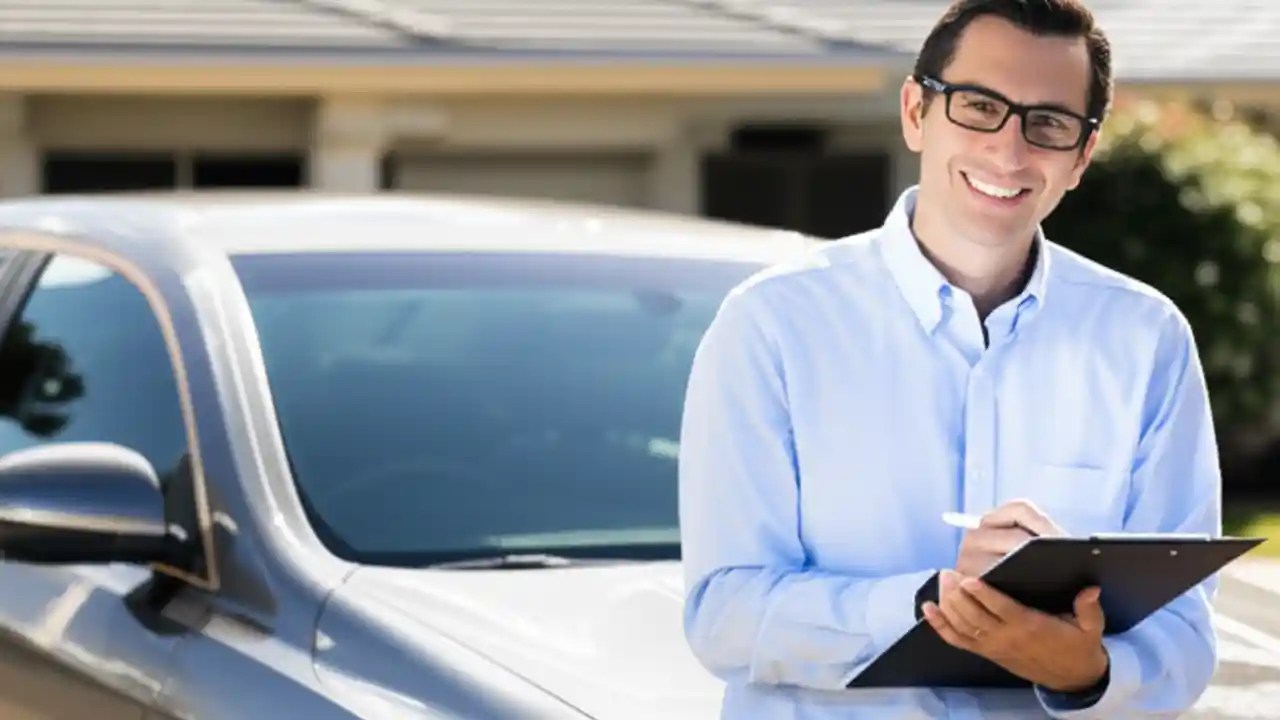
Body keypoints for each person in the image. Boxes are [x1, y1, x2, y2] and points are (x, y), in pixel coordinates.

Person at [677, 0, 1223, 717]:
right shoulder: (773, 325)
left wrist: (1087, 670)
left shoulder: (1145, 339)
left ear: (1082, 156)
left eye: (1049, 123)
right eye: (978, 106)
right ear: (915, 112)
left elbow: (1185, 632)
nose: (1009, 150)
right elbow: (723, 617)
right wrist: (932, 604)